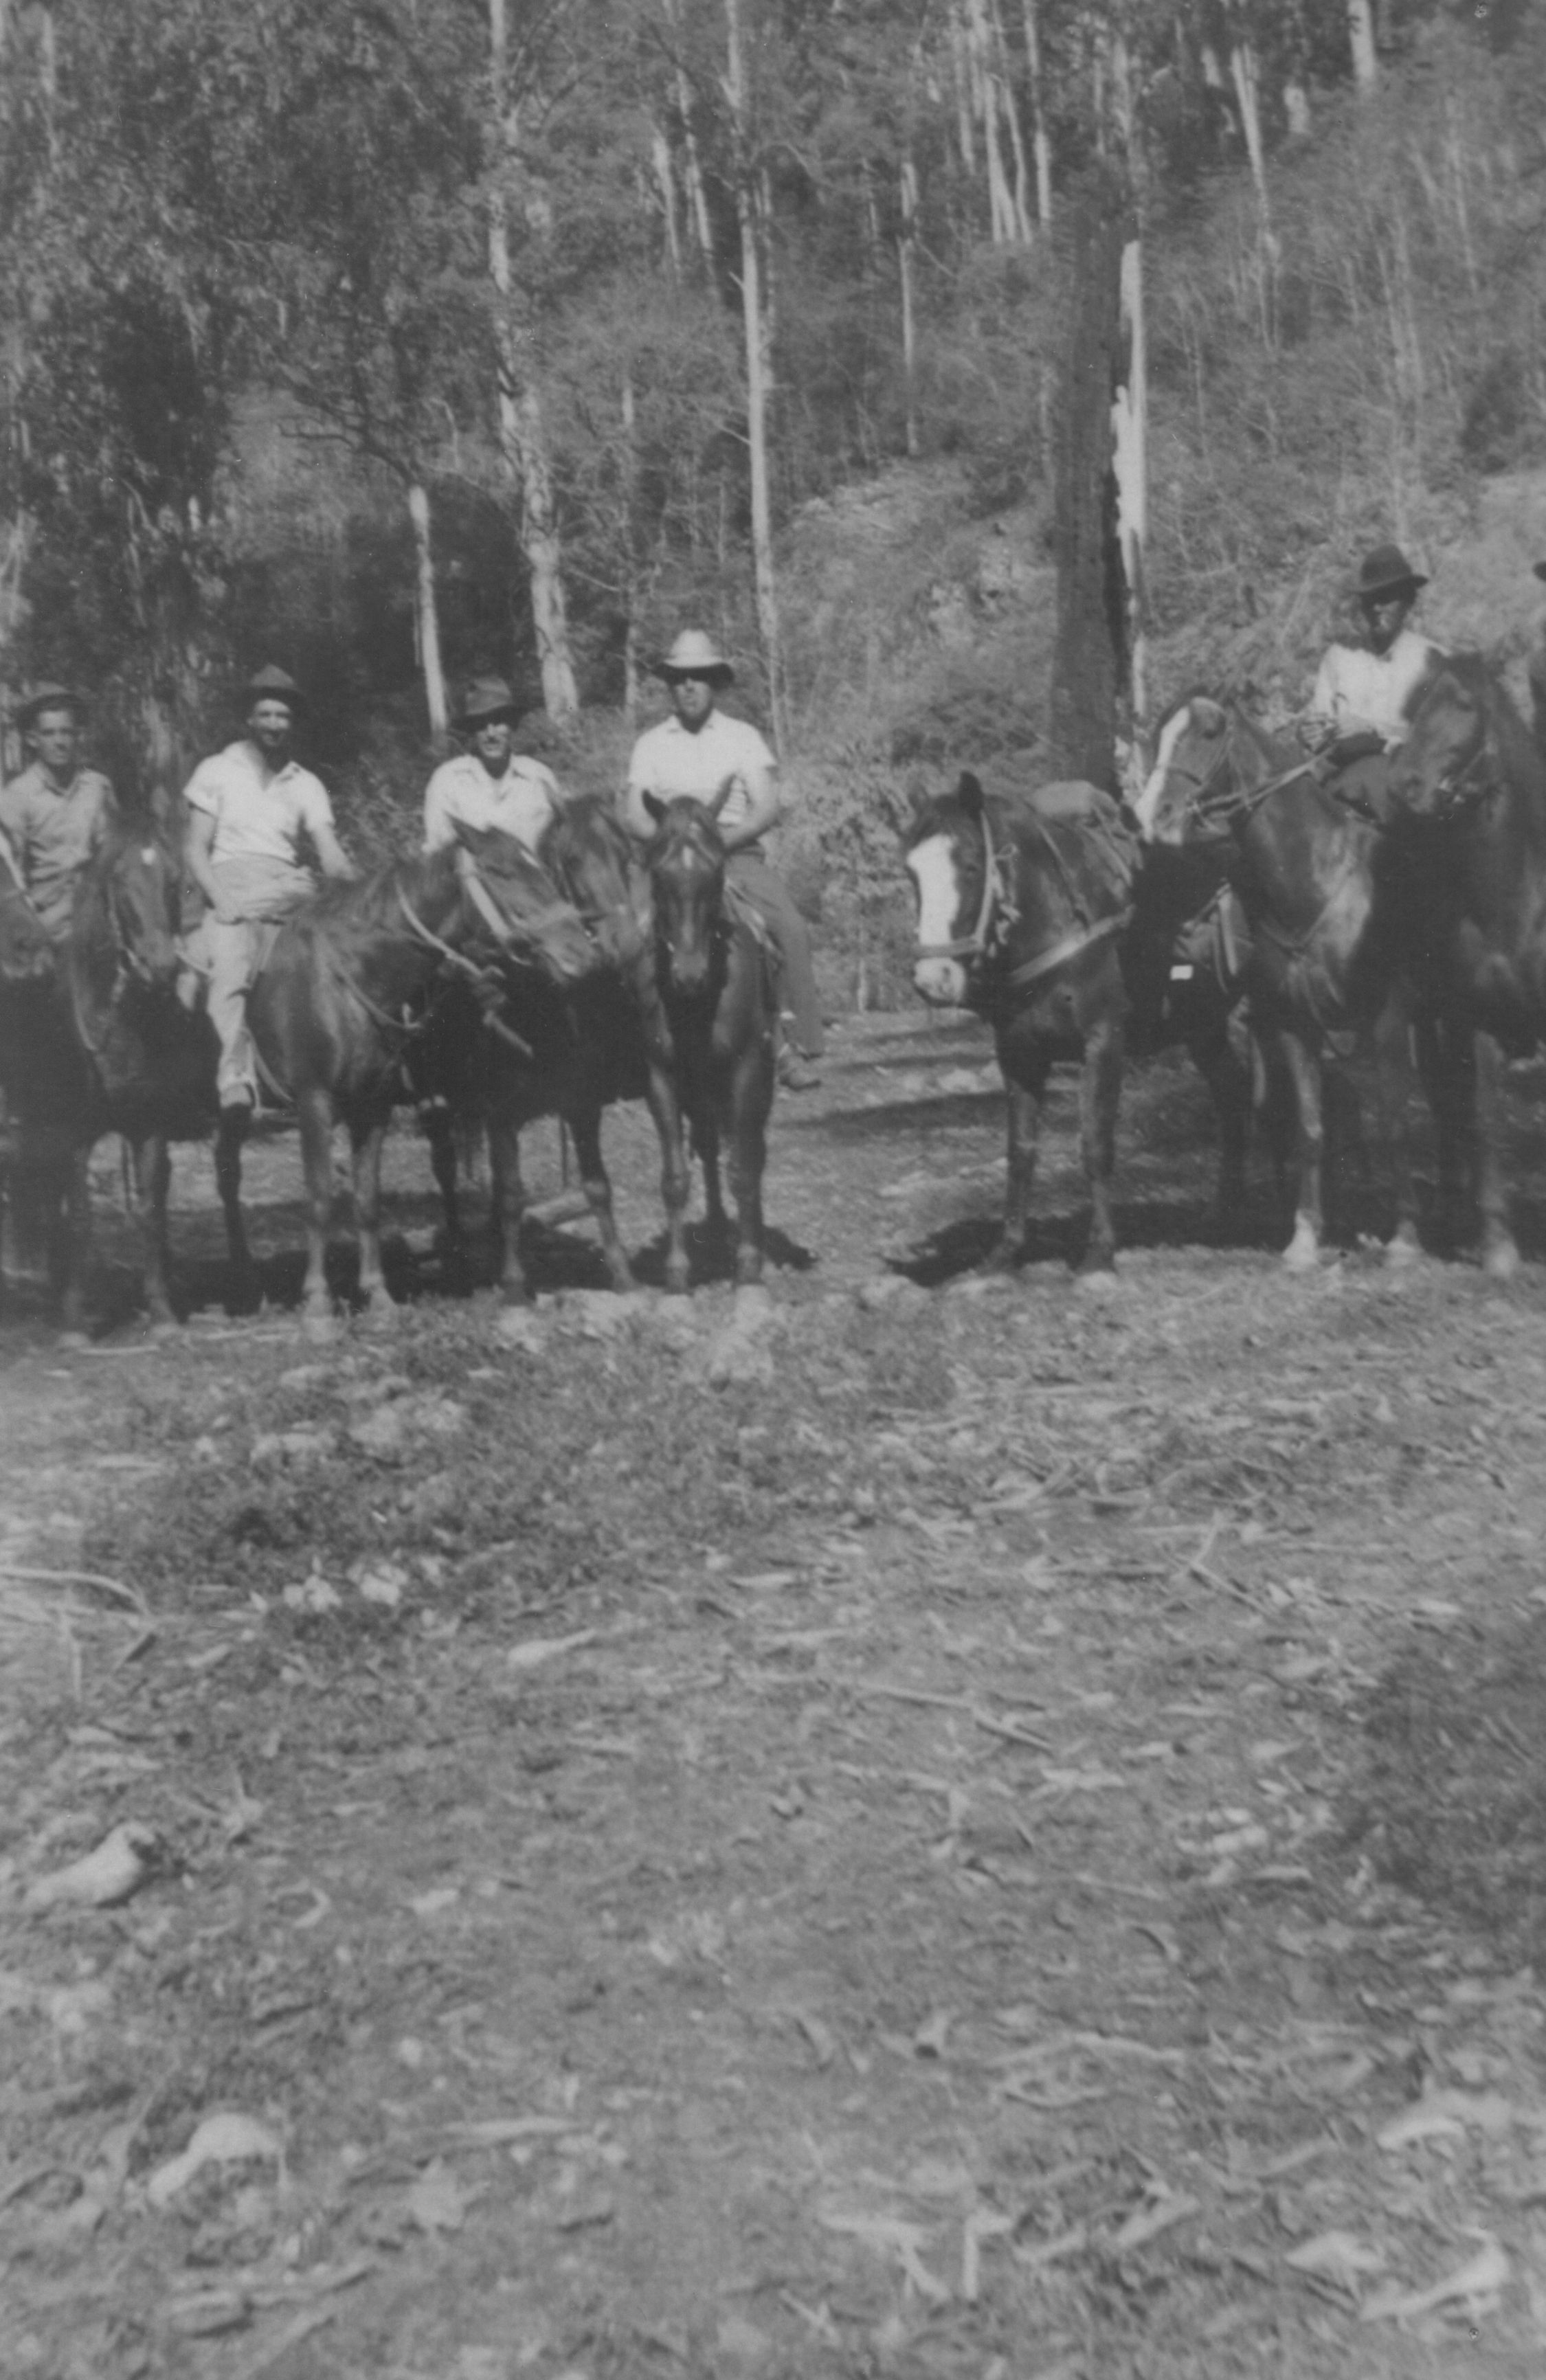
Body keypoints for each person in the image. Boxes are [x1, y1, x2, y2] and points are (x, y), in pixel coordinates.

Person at [622, 629, 824, 1088]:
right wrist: (676, 846)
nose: (688, 687)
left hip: (734, 854)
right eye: (679, 679)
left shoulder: (742, 737)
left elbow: (767, 805)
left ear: (714, 682)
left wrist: (719, 842)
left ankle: (788, 1040)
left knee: (787, 926)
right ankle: (631, 1047)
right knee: (624, 936)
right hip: (670, 859)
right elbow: (634, 814)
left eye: (698, 677)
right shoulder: (651, 743)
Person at [182, 666, 355, 1112]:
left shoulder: (306, 783)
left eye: (283, 716)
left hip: (288, 893)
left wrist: (358, 886)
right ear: (250, 718)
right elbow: (195, 848)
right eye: (266, 714)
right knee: (230, 965)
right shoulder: (217, 769)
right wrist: (222, 900)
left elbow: (329, 853)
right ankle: (234, 1075)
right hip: (230, 890)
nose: (275, 724)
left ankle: (343, 1074)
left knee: (333, 966)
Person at [0, 684, 115, 941]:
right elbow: (9, 873)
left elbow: (114, 855)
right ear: (33, 739)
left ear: (78, 736)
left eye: (66, 732)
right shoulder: (17, 797)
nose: (59, 742)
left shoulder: (97, 787)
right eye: (49, 733)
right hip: (44, 926)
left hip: (98, 921)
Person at [1308, 543, 1445, 752]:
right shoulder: (1339, 657)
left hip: (1406, 776)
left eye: (1387, 599)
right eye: (1370, 600)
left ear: (1408, 601)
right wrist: (1311, 734)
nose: (1377, 608)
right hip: (1346, 776)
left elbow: (1442, 738)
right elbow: (1319, 724)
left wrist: (1375, 731)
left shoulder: (1433, 663)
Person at [423, 676, 565, 857]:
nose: (491, 733)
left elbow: (562, 848)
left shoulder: (539, 778)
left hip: (536, 882)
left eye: (498, 721)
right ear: (473, 730)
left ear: (512, 724)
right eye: (482, 724)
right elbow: (437, 856)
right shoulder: (448, 781)